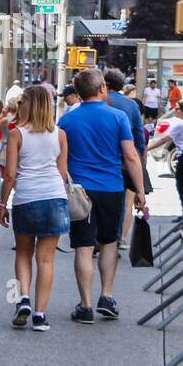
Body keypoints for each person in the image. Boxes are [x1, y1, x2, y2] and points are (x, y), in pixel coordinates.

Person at [58, 68, 147, 324]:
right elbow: (131, 156)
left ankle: (85, 305)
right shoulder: (118, 117)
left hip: (79, 192)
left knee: (83, 247)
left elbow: (59, 157)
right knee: (109, 242)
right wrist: (140, 190)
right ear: (102, 89)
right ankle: (106, 296)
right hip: (112, 188)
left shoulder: (67, 120)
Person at [0, 85, 69, 332]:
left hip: (26, 197)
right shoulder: (59, 134)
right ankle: (40, 315)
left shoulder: (17, 134)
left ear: (27, 104)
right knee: (47, 259)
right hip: (54, 197)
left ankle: (23, 298)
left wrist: (2, 203)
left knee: (23, 254)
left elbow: (10, 174)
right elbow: (62, 173)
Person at [105, 68, 148, 249]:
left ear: (105, 84)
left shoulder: (98, 102)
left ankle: (96, 238)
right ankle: (115, 238)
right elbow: (139, 139)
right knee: (121, 202)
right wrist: (141, 166)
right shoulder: (131, 106)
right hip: (122, 163)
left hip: (96, 162)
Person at [147, 100, 183, 207]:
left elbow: (165, 139)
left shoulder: (182, 124)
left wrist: (147, 148)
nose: (175, 111)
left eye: (176, 109)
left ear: (182, 111)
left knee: (181, 185)